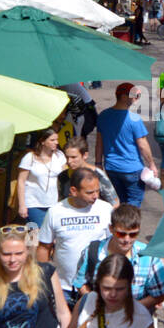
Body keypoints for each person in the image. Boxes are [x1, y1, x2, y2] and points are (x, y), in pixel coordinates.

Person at [38, 167, 114, 307]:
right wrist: (44, 280)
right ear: (73, 191)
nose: (96, 196)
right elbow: (44, 247)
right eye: (90, 192)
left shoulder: (105, 209)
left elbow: (112, 245)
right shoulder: (56, 212)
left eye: (97, 191)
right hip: (63, 288)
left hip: (94, 288)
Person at [96, 82, 157, 207]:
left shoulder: (103, 116)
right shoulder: (134, 119)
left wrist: (98, 164)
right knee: (133, 205)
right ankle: (129, 226)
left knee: (119, 204)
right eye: (135, 96)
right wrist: (151, 164)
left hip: (111, 168)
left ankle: (120, 226)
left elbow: (99, 143)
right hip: (132, 169)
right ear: (124, 97)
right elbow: (142, 145)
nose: (137, 99)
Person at [15, 128, 65, 230]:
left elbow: (65, 176)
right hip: (33, 202)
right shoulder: (30, 158)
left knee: (50, 233)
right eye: (52, 140)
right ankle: (31, 246)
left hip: (52, 202)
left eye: (57, 140)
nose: (56, 143)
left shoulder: (59, 156)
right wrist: (22, 205)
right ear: (43, 141)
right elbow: (21, 181)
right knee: (35, 233)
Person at [59, 136, 118, 205]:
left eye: (73, 157)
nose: (69, 161)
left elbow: (114, 202)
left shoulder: (97, 174)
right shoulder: (63, 176)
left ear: (85, 155)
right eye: (67, 157)